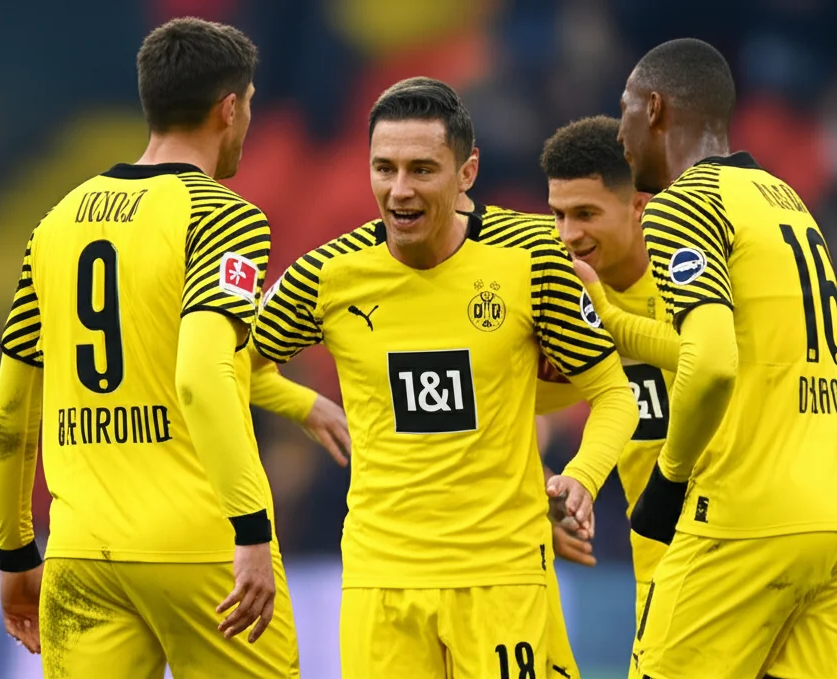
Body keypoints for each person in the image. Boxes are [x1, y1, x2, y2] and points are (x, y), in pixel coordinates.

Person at [253, 76, 638, 679]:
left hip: (502, 580)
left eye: (421, 169)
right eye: (384, 168)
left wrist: (580, 480)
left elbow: (614, 395)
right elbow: (224, 365)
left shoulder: (529, 265)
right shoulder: (327, 275)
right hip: (381, 585)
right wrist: (304, 404)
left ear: (467, 173)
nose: (399, 190)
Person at [0, 17, 308, 678]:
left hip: (82, 555)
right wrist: (251, 528)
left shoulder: (54, 224)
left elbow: (10, 418)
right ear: (231, 107)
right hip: (203, 549)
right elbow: (201, 376)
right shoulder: (223, 214)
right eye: (247, 105)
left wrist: (17, 551)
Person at [577, 38, 837, 679]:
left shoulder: (687, 202)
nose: (620, 136)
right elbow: (745, 355)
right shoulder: (785, 203)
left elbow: (712, 366)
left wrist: (669, 478)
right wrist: (620, 326)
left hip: (747, 518)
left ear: (654, 107)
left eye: (625, 111)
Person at [533, 115, 672, 633]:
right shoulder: (559, 299)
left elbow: (719, 361)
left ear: (638, 204)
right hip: (658, 563)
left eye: (586, 213)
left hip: (745, 540)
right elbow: (511, 406)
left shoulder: (693, 279)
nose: (569, 234)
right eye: (558, 215)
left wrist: (613, 322)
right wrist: (543, 487)